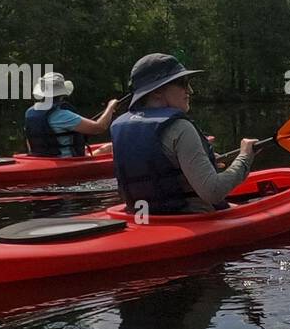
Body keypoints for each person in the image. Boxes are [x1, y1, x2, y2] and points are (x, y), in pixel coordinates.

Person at [110, 53, 259, 215]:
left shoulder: (120, 126)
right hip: (189, 219)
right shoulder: (180, 127)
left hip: (142, 217)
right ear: (157, 91)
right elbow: (213, 192)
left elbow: (155, 167)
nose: (190, 90)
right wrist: (244, 157)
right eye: (182, 83)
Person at [24, 72, 119, 157]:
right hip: (65, 161)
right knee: (113, 147)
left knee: (107, 148)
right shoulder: (62, 115)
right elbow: (99, 127)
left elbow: (30, 142)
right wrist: (110, 106)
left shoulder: (30, 113)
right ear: (62, 94)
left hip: (40, 159)